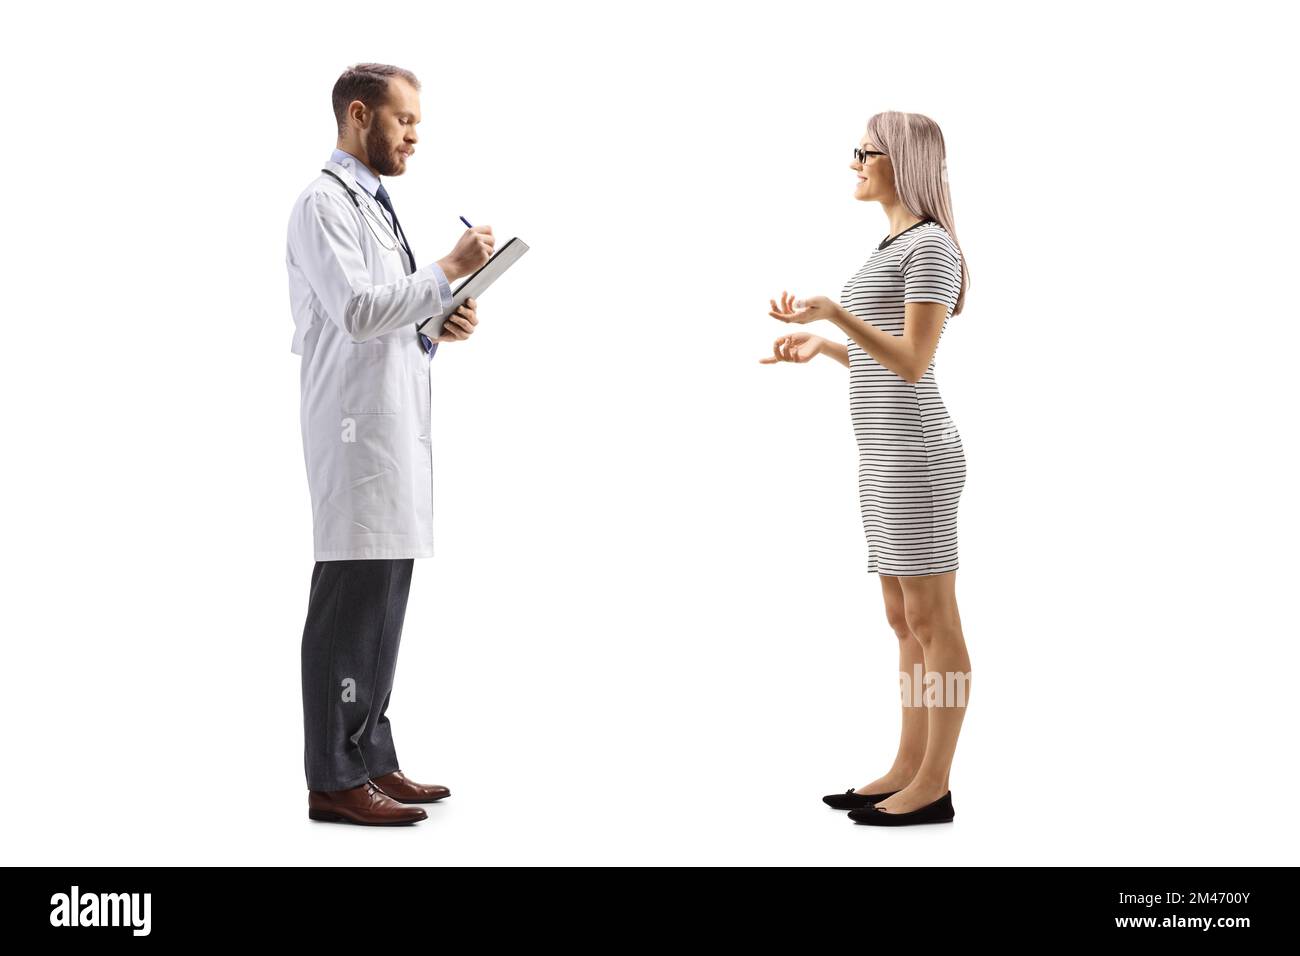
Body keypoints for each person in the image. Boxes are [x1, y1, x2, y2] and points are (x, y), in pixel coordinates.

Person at [285, 63, 494, 825]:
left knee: (384, 599)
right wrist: (448, 268)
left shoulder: (374, 204)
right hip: (352, 433)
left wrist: (439, 319)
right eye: (404, 121)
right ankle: (333, 778)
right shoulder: (321, 205)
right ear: (359, 115)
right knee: (348, 607)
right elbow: (356, 311)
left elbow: (393, 317)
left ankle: (372, 756)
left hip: (390, 428)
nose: (414, 135)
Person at [761, 111, 972, 827]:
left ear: (902, 160)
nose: (854, 161)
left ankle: (934, 784)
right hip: (884, 455)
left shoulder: (932, 248)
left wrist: (833, 316)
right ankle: (906, 766)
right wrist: (823, 348)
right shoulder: (892, 244)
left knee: (932, 618)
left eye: (866, 152)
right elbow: (889, 362)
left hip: (917, 454)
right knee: (901, 617)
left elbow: (914, 362)